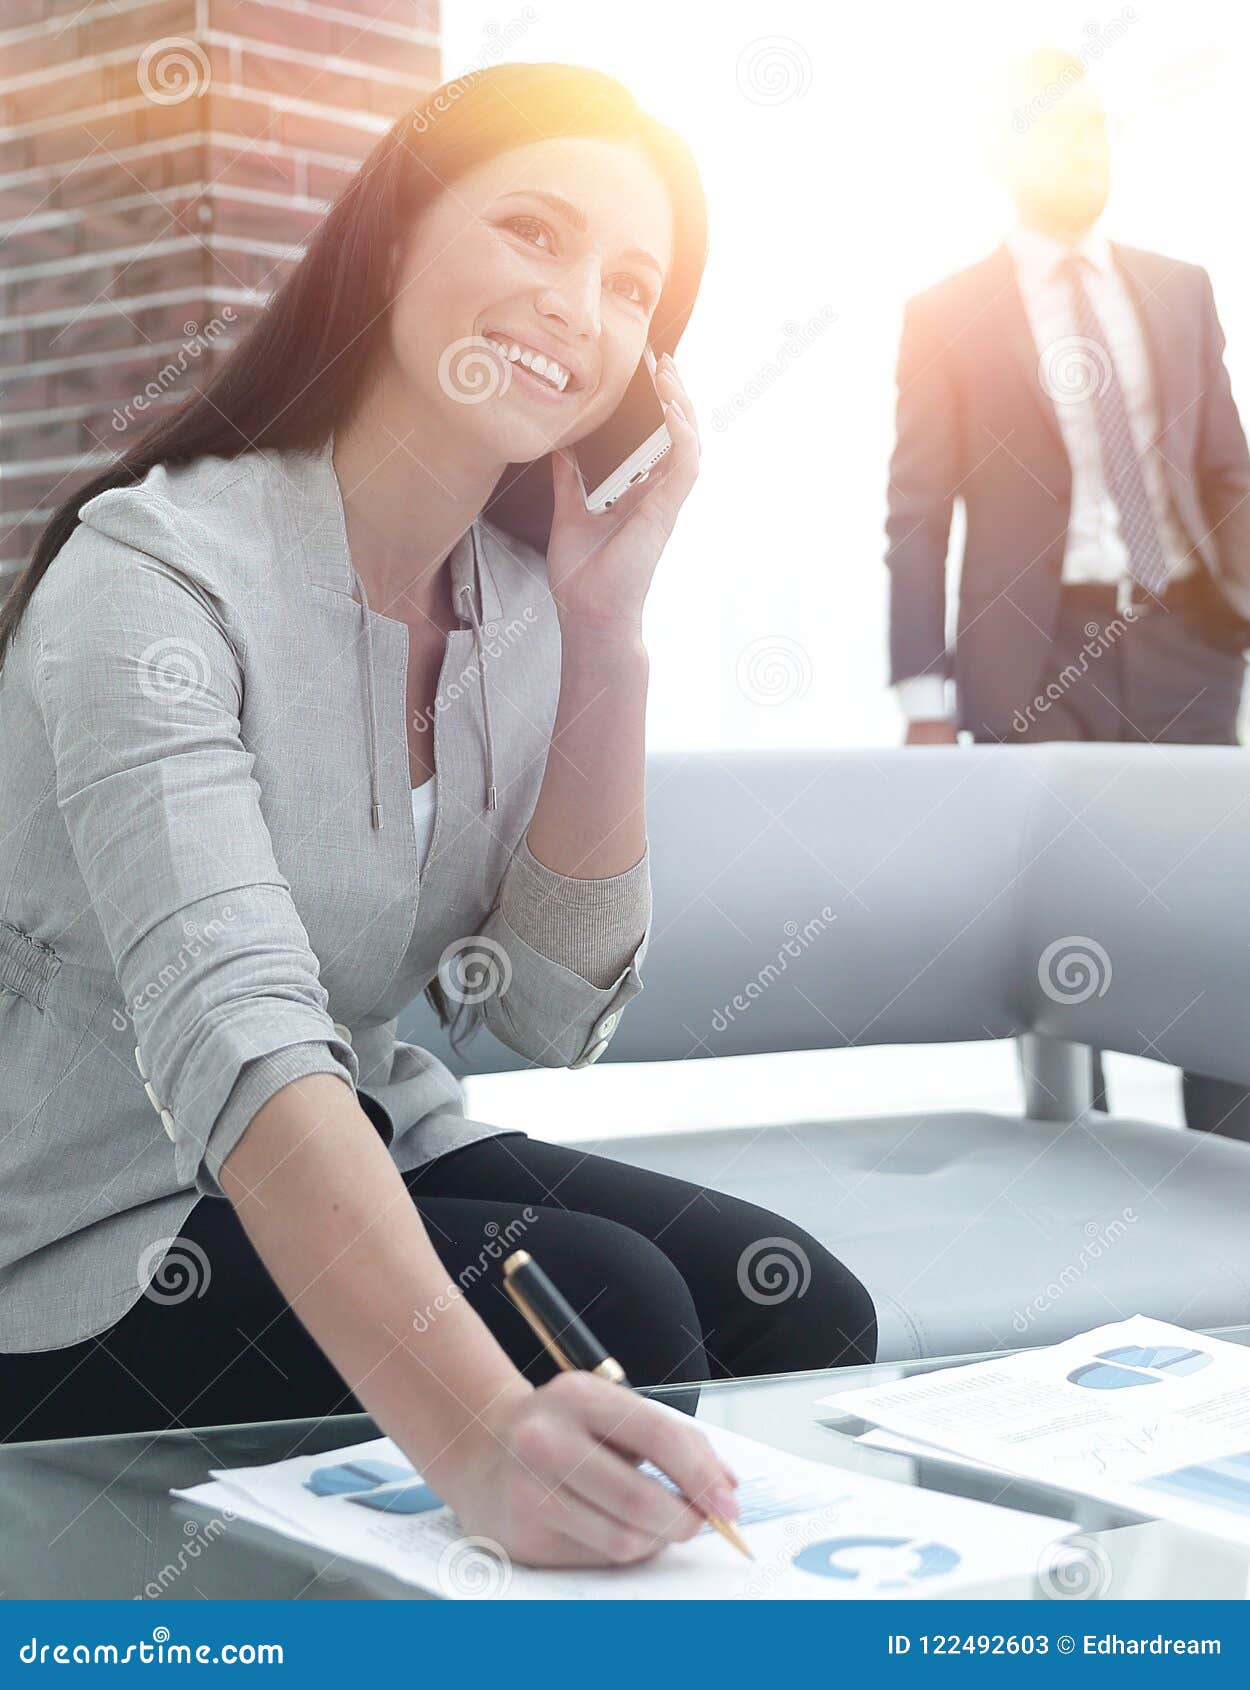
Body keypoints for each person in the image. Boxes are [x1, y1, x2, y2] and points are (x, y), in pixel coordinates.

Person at [0, 63, 876, 1569]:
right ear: (395, 239)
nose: (574, 304)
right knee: (615, 1320)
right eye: (532, 232)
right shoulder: (151, 574)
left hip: (372, 1135)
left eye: (627, 284)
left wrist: (608, 627)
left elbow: (541, 1013)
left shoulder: (521, 606)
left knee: (795, 1299)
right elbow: (241, 1031)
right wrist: (473, 1435)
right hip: (80, 1220)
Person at [884, 48, 1250, 1138]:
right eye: (1057, 130)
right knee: (1062, 937)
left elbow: (1225, 468)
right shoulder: (945, 309)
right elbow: (915, 505)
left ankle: (1229, 1191)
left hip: (1184, 637)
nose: (1084, 148)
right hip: (1030, 654)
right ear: (1003, 152)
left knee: (1211, 920)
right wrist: (923, 702)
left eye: (1096, 128)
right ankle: (1072, 1168)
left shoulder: (1176, 287)